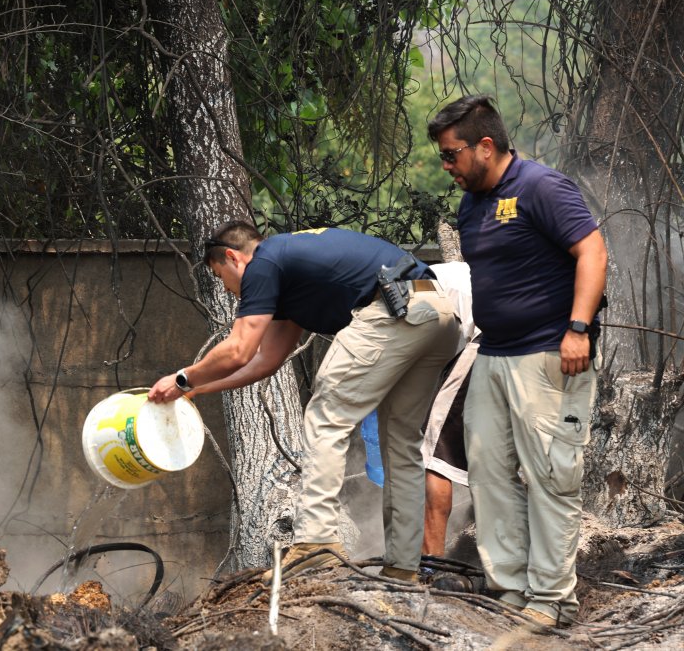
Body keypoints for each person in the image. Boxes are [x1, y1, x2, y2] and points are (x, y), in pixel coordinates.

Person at [148, 222, 461, 582]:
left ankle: (315, 544)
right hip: (435, 311)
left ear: (233, 257)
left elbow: (238, 349)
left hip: (394, 308)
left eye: (221, 278)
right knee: (399, 439)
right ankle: (403, 565)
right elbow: (265, 360)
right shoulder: (288, 272)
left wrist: (183, 376)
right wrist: (196, 389)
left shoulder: (265, 260)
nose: (229, 291)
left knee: (326, 418)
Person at [428, 95, 607, 628]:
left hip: (550, 354)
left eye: (451, 154)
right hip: (493, 354)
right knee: (488, 473)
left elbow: (592, 252)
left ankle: (551, 599)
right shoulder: (472, 205)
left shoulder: (541, 186)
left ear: (486, 145)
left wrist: (577, 328)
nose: (447, 167)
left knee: (551, 475)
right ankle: (509, 589)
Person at [419, 261, 476, 558]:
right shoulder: (439, 277)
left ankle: (430, 560)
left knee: (437, 456)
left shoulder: (412, 286)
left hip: (487, 343)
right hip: (534, 347)